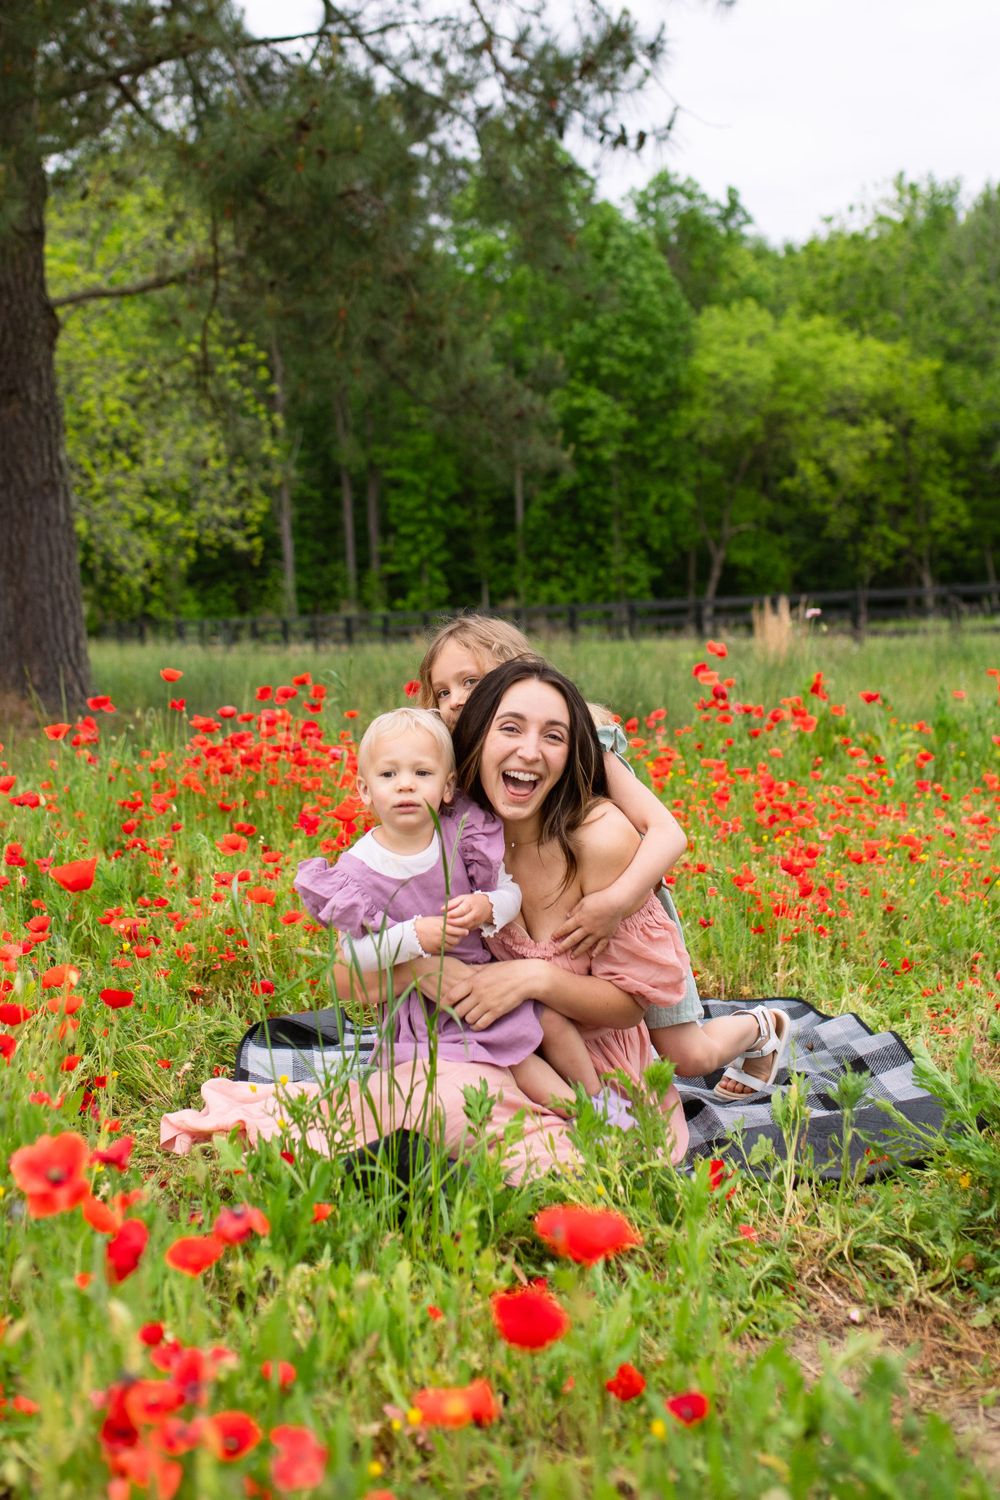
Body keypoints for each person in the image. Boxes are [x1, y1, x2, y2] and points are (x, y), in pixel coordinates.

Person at [418, 615, 790, 1100]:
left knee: (686, 1054)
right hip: (544, 912)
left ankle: (762, 1027)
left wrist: (616, 902)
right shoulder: (458, 753)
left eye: (470, 681)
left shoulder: (583, 735)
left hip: (625, 896)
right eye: (442, 692)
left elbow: (666, 832)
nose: (456, 700)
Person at [294, 707, 632, 1122]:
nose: (405, 785)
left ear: (448, 786)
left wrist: (487, 906)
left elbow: (510, 891)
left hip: (488, 979)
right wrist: (414, 937)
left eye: (422, 774)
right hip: (431, 1012)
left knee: (552, 1023)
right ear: (364, 790)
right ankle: (582, 1117)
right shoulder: (357, 872)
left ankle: (601, 1101)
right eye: (388, 776)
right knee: (521, 1065)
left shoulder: (461, 836)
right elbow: (354, 957)